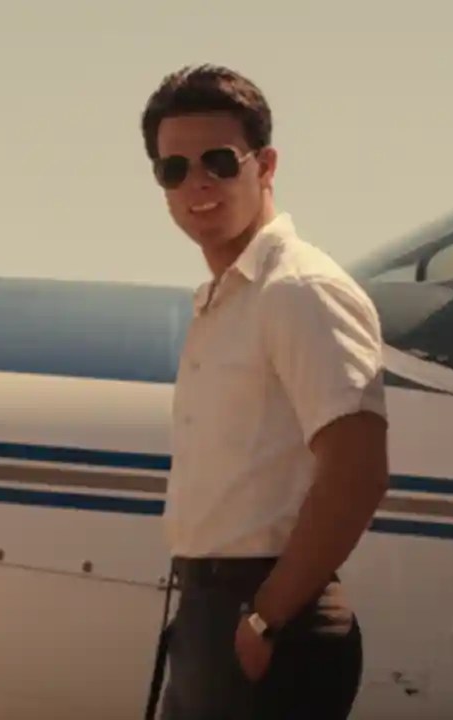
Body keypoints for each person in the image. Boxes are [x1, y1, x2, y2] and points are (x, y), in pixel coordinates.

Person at [140, 64, 391, 719]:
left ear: (266, 165)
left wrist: (265, 618)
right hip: (217, 612)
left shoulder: (300, 291)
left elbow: (356, 472)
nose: (197, 183)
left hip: (276, 621)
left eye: (219, 162)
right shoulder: (227, 301)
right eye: (174, 169)